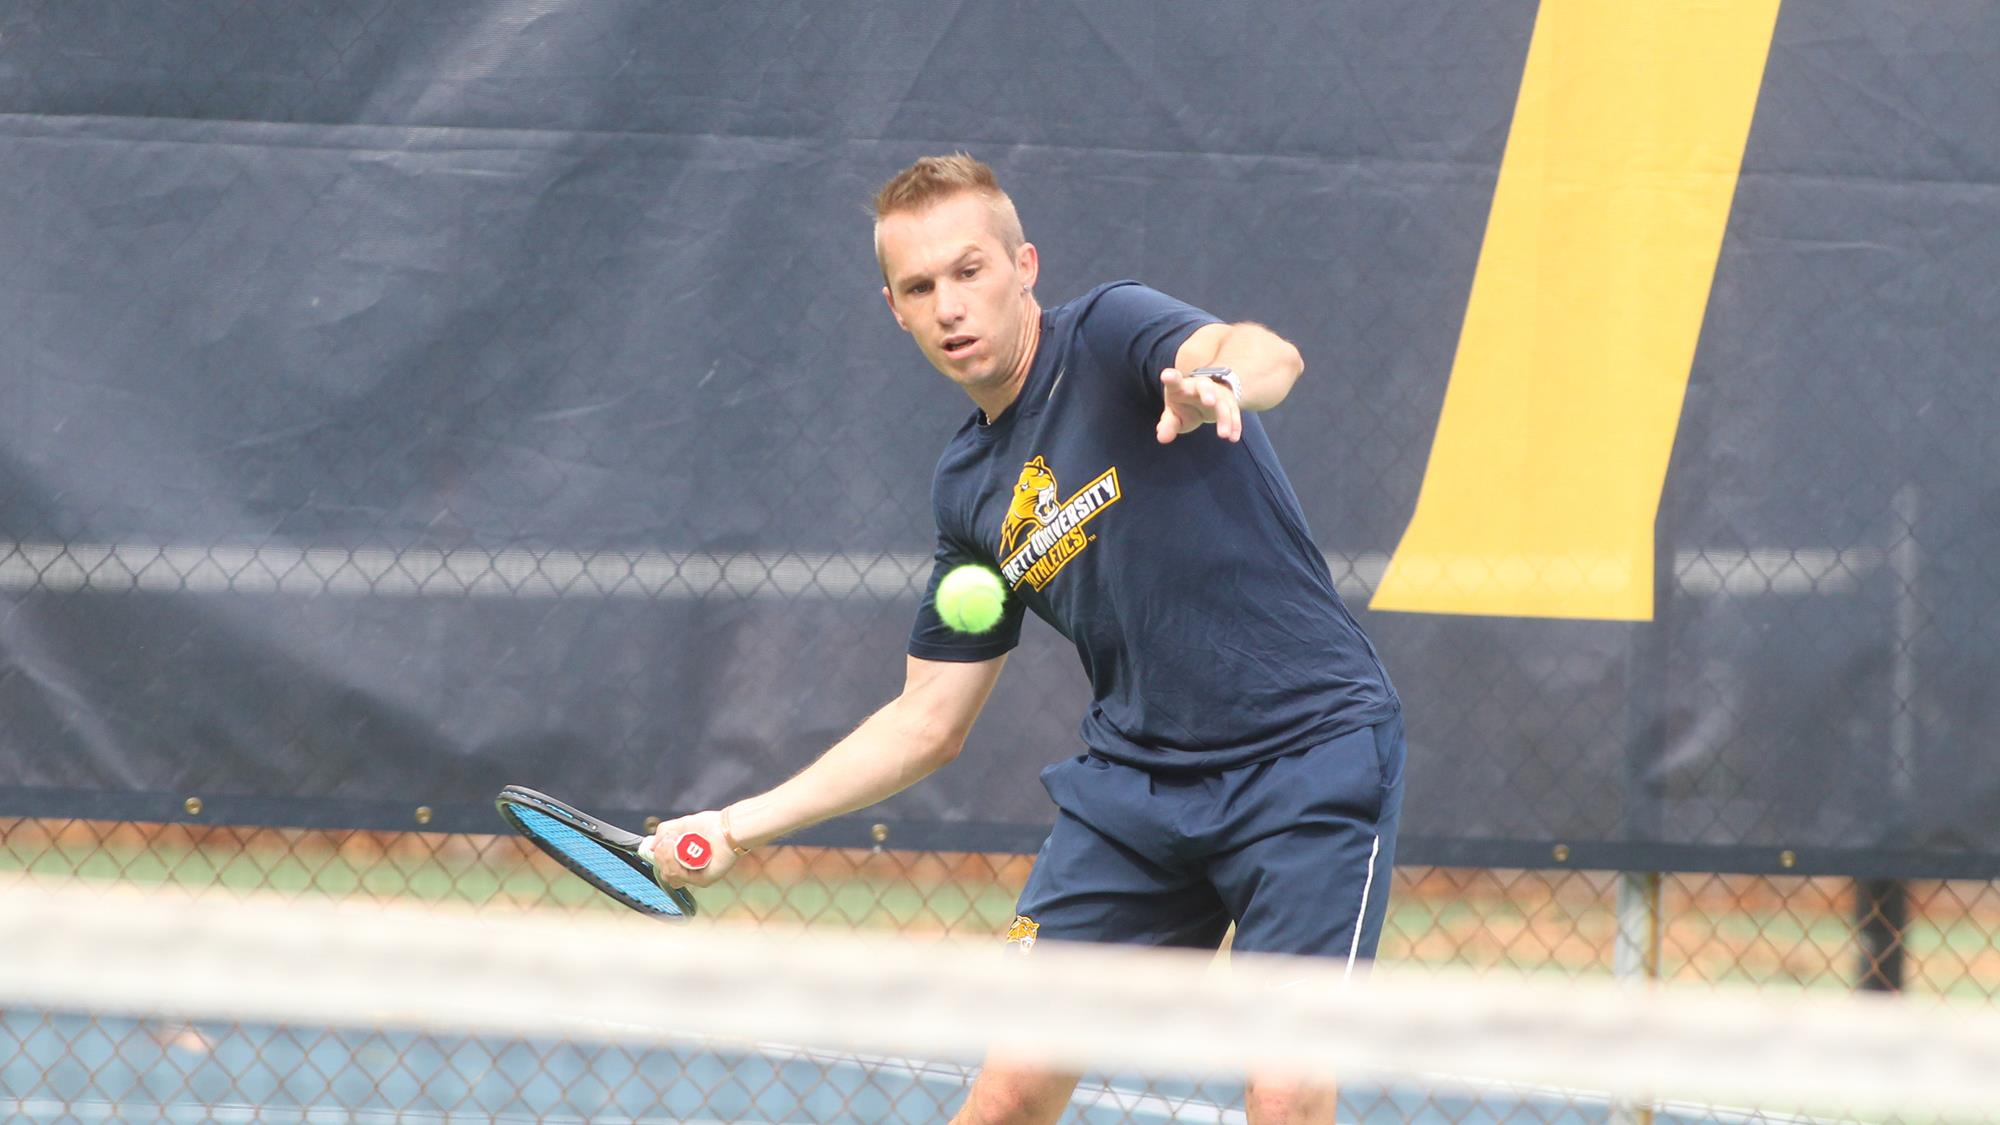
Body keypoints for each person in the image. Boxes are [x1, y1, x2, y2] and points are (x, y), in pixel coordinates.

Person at [645, 153, 1404, 1125]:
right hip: (1136, 794)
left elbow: (1267, 354)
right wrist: (735, 825)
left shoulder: (1116, 337)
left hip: (1306, 758)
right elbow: (927, 721)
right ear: (895, 310)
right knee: (1005, 1096)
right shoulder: (968, 492)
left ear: (1023, 266)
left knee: (1284, 1092)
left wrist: (1218, 376)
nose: (950, 304)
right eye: (921, 287)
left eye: (969, 271)